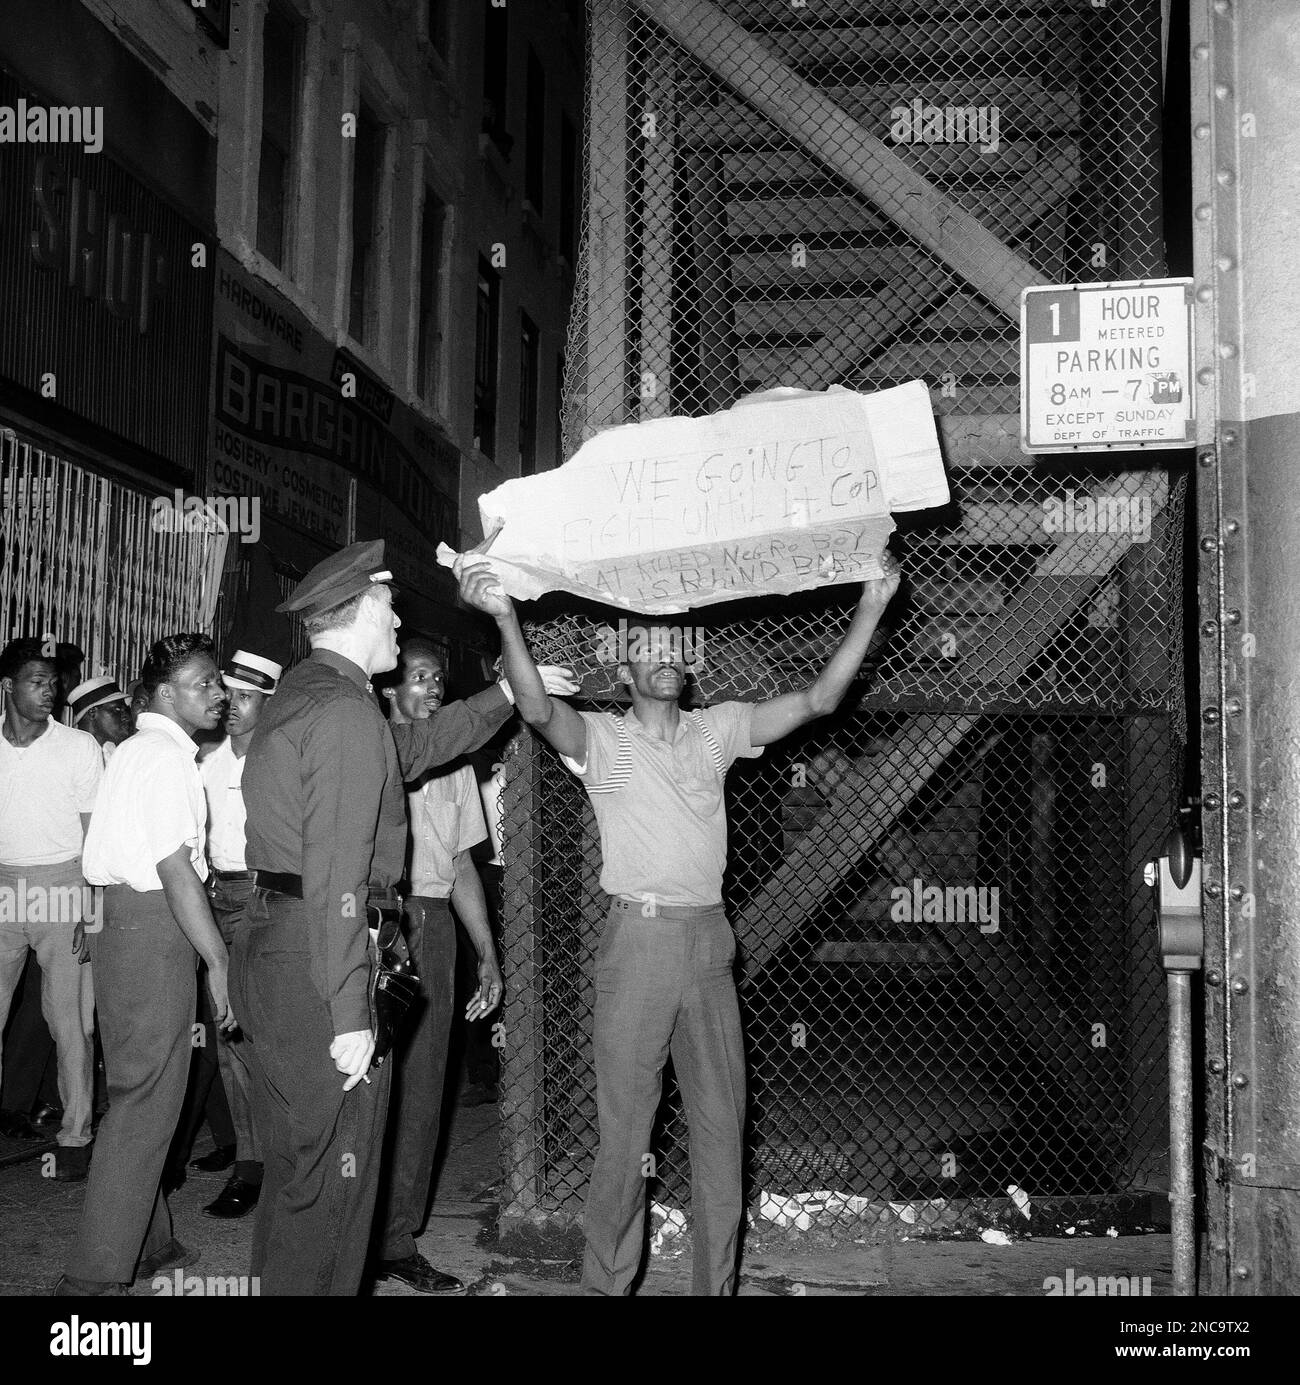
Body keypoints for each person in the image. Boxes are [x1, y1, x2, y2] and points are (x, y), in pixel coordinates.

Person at [456, 553, 901, 1295]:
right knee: (626, 1137)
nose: (665, 658)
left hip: (709, 944)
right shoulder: (603, 742)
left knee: (722, 1134)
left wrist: (871, 605)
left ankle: (714, 1288)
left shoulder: (717, 731)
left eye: (674, 650)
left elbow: (821, 699)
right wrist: (505, 615)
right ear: (625, 673)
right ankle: (607, 1286)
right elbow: (536, 709)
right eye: (648, 650)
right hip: (638, 945)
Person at [239, 540, 518, 1296]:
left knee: (300, 1172)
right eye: (389, 605)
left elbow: (422, 744)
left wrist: (507, 695)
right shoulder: (344, 712)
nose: (398, 620)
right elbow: (336, 874)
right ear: (362, 609)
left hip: (279, 944)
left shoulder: (308, 696)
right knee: (334, 1181)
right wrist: (349, 1011)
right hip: (321, 955)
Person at [371, 640, 576, 1294]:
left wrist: (486, 951)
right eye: (421, 678)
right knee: (363, 1080)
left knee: (426, 1088)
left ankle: (397, 1239)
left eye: (439, 678)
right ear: (386, 688)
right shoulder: (370, 744)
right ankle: (349, 1229)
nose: (433, 688)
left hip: (432, 923)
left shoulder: (454, 760)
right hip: (376, 921)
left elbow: (461, 863)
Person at [56, 632, 235, 1295]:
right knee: (146, 1102)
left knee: (138, 1091)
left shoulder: (135, 750)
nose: (217, 693)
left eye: (218, 682)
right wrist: (216, 957)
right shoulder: (166, 759)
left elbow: (104, 846)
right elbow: (174, 866)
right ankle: (93, 1279)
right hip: (154, 924)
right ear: (166, 693)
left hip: (118, 922)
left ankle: (149, 1242)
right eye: (204, 682)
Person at [167, 650, 283, 1217]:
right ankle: (251, 1166)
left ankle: (286, 1158)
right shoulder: (202, 762)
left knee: (276, 1035)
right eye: (227, 695)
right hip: (217, 897)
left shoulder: (282, 759)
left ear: (269, 702)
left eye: (246, 697)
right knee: (230, 1037)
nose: (231, 706)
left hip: (271, 898)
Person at [0, 639, 101, 1177]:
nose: (50, 690)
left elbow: (95, 835)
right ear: (8, 687)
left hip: (62, 884)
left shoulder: (78, 747)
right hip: (1, 887)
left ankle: (75, 1136)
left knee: (69, 1021)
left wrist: (91, 904)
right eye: (38, 680)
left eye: (54, 681)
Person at [67, 676, 133, 766]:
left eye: (125, 710)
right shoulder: (69, 754)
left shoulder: (112, 751)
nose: (127, 717)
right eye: (117, 710)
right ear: (92, 712)